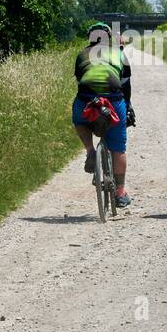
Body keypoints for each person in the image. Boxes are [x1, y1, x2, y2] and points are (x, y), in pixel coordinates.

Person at [72, 21, 135, 208]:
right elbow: (126, 85)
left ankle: (90, 151)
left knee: (78, 120)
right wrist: (128, 105)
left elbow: (80, 81)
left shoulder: (82, 54)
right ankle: (120, 193)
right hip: (114, 101)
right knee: (119, 148)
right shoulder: (119, 54)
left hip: (87, 100)